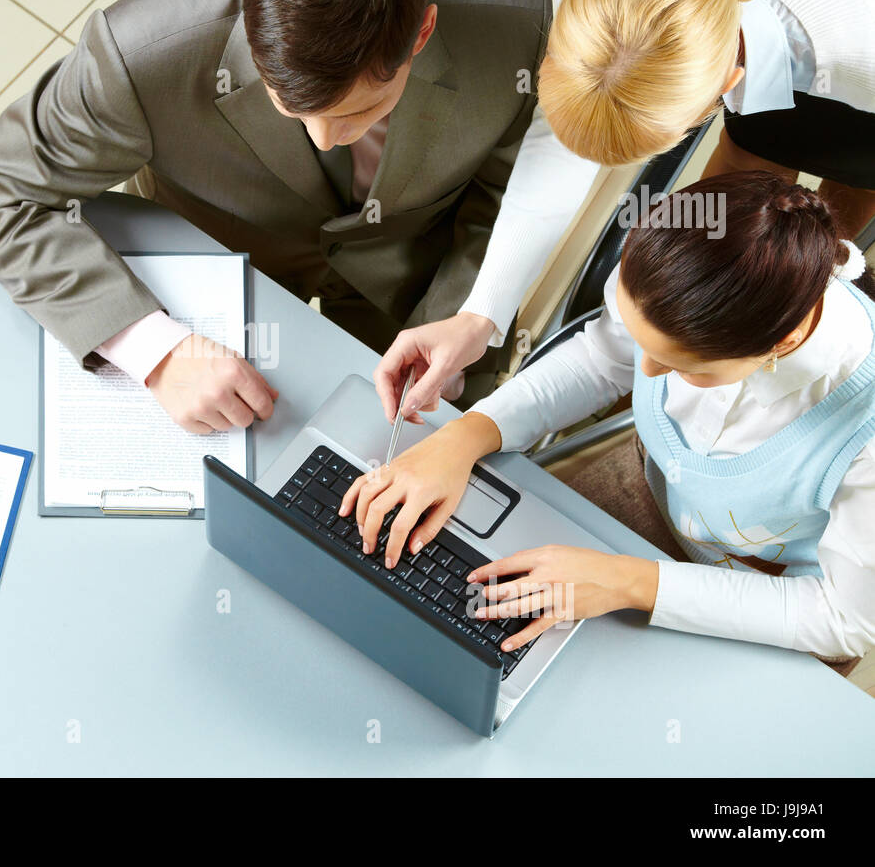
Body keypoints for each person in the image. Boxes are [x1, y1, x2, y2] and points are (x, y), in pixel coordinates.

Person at [0, 0, 577, 433]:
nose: (327, 138)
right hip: (211, 288)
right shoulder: (142, 50)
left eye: (361, 111)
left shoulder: (518, 26)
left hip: (422, 290)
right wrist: (158, 353)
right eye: (294, 108)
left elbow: (505, 190)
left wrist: (458, 317)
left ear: (422, 34)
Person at [342, 172, 875, 673]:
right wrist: (464, 436)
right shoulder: (673, 272)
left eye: (681, 367)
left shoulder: (863, 427)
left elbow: (842, 618)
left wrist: (624, 582)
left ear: (780, 345)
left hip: (774, 603)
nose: (645, 374)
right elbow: (603, 359)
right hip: (649, 502)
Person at [374, 0, 875, 426]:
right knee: (742, 195)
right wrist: (480, 316)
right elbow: (568, 140)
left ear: (729, 82)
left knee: (855, 188)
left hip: (861, 59)